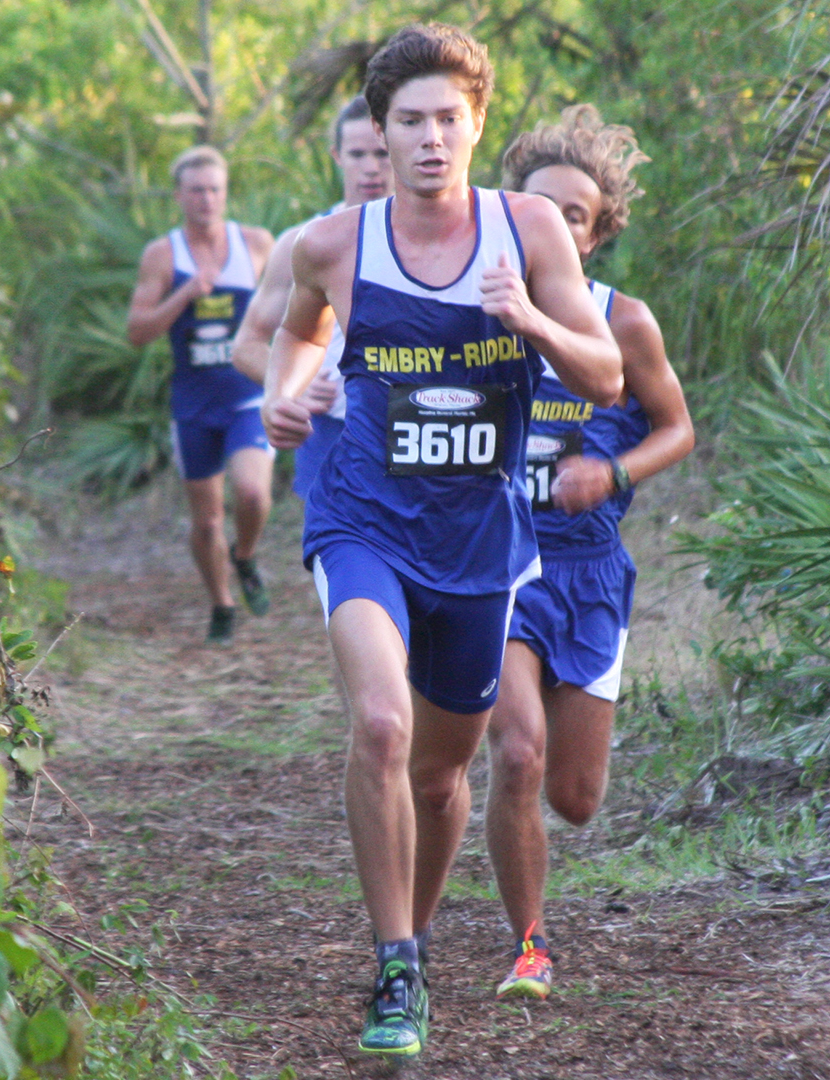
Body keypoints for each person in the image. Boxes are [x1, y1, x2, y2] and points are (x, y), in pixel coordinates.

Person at [261, 25, 623, 1058]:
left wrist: (533, 322)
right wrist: (287, 399)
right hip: (363, 518)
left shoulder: (530, 235)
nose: (429, 139)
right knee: (380, 726)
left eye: (448, 121)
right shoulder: (335, 243)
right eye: (409, 121)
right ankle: (397, 967)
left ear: (476, 125)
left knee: (438, 774)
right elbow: (295, 335)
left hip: (478, 539)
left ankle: (411, 931)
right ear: (381, 131)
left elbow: (604, 379)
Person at [484, 105, 695, 1000]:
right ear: (511, 213)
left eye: (577, 213)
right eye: (541, 207)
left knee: (574, 797)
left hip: (591, 570)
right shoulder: (476, 311)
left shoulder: (626, 322)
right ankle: (529, 944)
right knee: (519, 754)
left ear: (600, 229)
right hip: (497, 566)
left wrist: (609, 470)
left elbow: (677, 429)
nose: (558, 224)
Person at [125, 146, 278, 644]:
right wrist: (183, 295)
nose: (206, 199)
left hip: (246, 395)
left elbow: (291, 309)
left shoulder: (255, 245)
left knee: (253, 492)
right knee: (207, 520)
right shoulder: (163, 254)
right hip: (192, 404)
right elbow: (137, 331)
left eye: (214, 189)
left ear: (226, 193)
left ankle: (247, 555)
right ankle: (222, 604)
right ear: (179, 196)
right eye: (196, 190)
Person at [232, 96, 393, 503]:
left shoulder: (443, 239)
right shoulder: (303, 242)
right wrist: (289, 389)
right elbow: (247, 345)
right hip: (331, 430)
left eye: (382, 153)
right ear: (338, 156)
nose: (371, 167)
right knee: (336, 559)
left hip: (418, 431)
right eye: (358, 154)